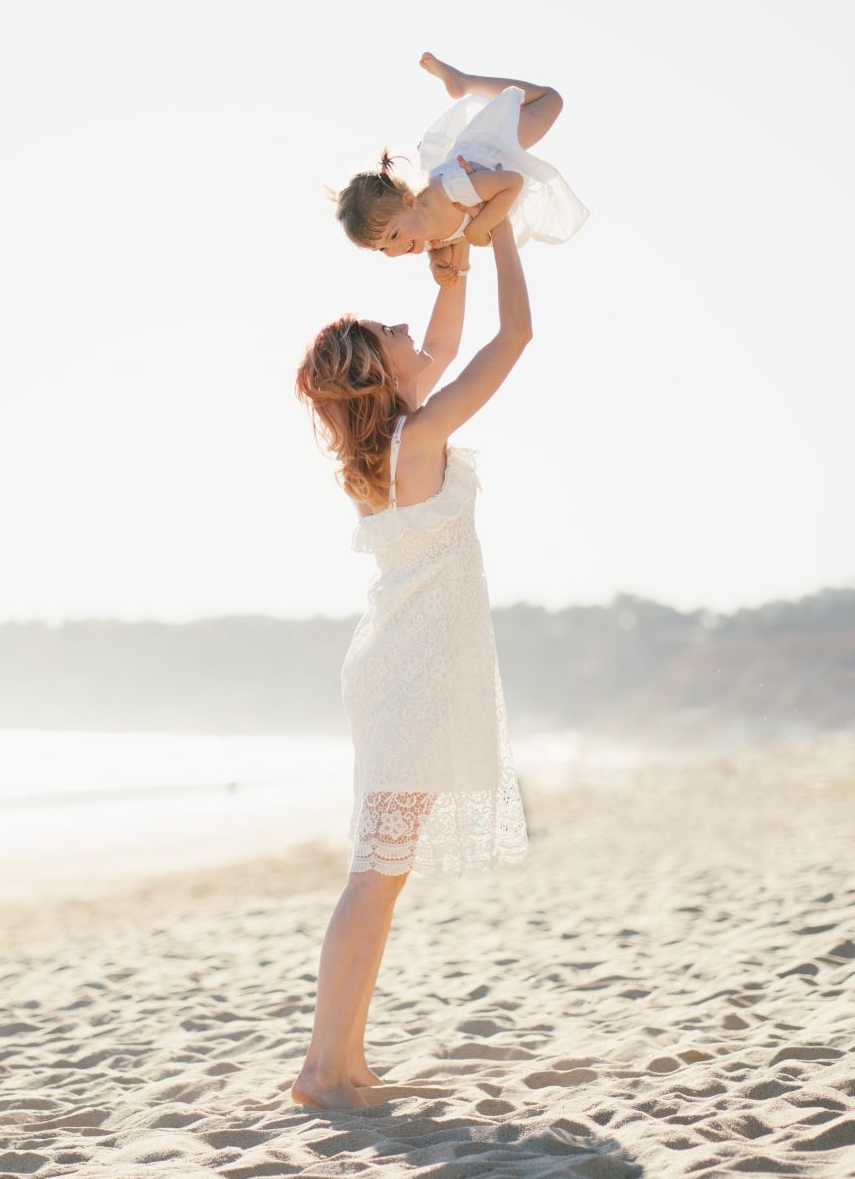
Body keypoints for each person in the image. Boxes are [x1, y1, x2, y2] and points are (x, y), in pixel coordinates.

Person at [287, 230, 534, 1109]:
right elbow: (512, 342)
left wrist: (452, 270)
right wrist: (501, 238)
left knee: (381, 876)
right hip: (412, 670)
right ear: (380, 376)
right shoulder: (419, 435)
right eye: (392, 331)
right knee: (375, 874)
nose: (409, 327)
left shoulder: (396, 439)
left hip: (404, 662)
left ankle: (346, 1064)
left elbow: (441, 346)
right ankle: (322, 1070)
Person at [333, 54, 588, 285]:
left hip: (491, 149)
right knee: (549, 100)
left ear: (410, 201)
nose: (396, 247)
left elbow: (512, 182)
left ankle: (465, 82)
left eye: (394, 235)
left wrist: (477, 229)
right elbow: (438, 243)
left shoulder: (452, 190)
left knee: (550, 99)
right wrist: (436, 264)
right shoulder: (419, 233)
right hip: (483, 173)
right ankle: (464, 82)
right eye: (382, 248)